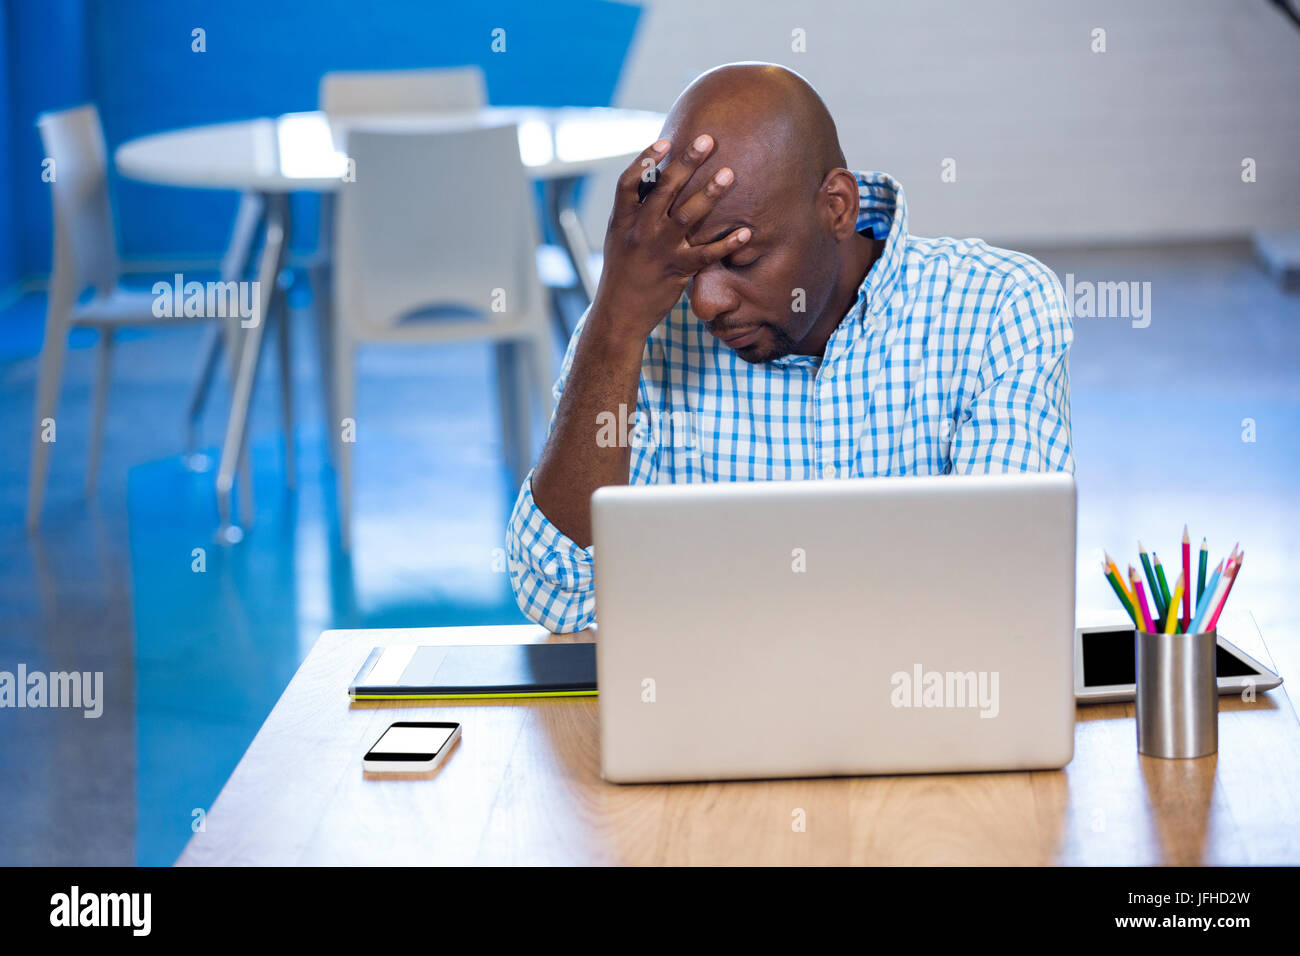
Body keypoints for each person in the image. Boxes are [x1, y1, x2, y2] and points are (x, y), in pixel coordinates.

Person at [508, 62, 1074, 632]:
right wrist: (614, 326)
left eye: (742, 259)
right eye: (689, 264)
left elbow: (1004, 592)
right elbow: (559, 597)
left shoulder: (999, 309)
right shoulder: (637, 328)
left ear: (836, 207)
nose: (706, 303)